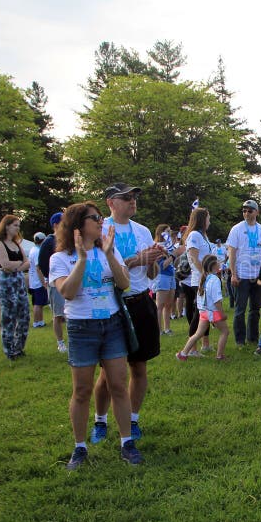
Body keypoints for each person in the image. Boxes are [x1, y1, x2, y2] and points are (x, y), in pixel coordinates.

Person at [49, 201, 141, 469]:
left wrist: (110, 254)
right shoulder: (60, 258)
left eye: (101, 217)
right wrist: (82, 258)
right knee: (81, 390)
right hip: (81, 327)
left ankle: (127, 443)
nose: (101, 222)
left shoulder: (107, 252)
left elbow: (124, 283)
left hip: (111, 324)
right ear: (78, 225)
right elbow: (67, 291)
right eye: (95, 218)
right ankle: (80, 448)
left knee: (118, 386)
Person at [90, 183, 165, 445]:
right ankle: (100, 420)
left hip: (141, 301)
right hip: (112, 303)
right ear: (111, 202)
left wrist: (154, 260)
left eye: (134, 197)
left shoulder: (143, 230)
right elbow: (103, 270)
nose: (132, 201)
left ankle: (133, 419)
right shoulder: (99, 231)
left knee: (139, 366)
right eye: (126, 198)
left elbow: (151, 274)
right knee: (109, 372)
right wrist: (137, 259)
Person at [227, 200, 261, 348]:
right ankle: (240, 340)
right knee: (240, 309)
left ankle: (252, 338)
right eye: (244, 210)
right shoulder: (237, 229)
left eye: (250, 210)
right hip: (242, 275)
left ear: (257, 212)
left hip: (257, 276)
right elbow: (232, 253)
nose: (246, 213)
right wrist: (233, 274)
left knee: (255, 308)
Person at [0, 215, 31, 360]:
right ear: (6, 226)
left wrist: (16, 266)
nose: (17, 228)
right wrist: (19, 264)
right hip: (5, 282)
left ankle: (19, 348)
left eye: (18, 225)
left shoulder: (17, 244)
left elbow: (27, 263)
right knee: (9, 316)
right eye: (15, 225)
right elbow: (4, 265)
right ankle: (9, 350)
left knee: (24, 315)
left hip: (18, 280)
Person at [176, 255, 230, 361]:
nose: (219, 263)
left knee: (198, 334)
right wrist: (222, 313)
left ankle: (183, 353)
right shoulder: (215, 279)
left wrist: (202, 310)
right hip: (213, 311)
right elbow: (217, 300)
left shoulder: (204, 277)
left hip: (203, 312)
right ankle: (220, 356)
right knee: (225, 331)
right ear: (214, 265)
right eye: (217, 262)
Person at [181, 208, 214, 353]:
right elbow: (194, 258)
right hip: (199, 279)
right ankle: (191, 349)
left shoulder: (203, 235)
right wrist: (204, 274)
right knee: (198, 314)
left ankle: (204, 345)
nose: (209, 221)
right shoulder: (194, 235)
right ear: (202, 219)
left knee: (204, 313)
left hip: (205, 278)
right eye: (208, 218)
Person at [37, 212, 67, 352]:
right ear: (55, 224)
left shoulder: (68, 239)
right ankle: (60, 342)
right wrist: (52, 278)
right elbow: (42, 264)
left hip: (71, 282)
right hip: (56, 284)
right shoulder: (49, 241)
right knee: (58, 314)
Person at [153, 224, 178, 336]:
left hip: (171, 275)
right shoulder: (158, 246)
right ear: (162, 233)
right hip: (162, 276)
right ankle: (159, 330)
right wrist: (172, 256)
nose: (170, 232)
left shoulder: (169, 246)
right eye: (168, 231)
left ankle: (167, 328)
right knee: (160, 305)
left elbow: (174, 262)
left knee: (169, 304)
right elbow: (161, 265)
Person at [28, 232, 48, 328]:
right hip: (37, 281)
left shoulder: (33, 249)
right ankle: (36, 322)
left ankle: (40, 321)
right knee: (38, 303)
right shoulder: (37, 251)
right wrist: (43, 282)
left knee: (39, 303)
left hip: (34, 281)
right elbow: (38, 268)